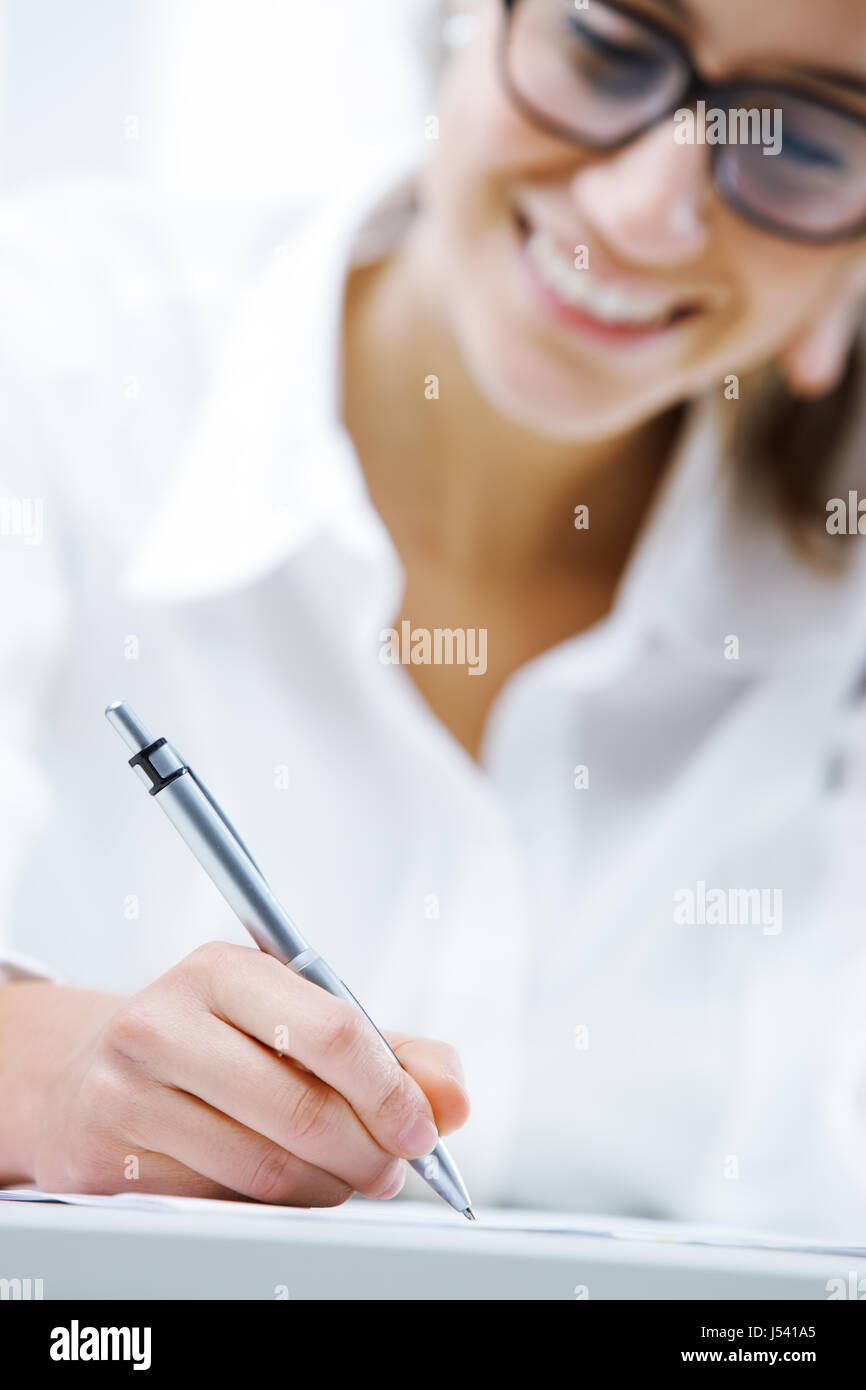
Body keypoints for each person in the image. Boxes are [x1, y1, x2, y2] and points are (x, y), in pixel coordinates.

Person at [2, 0, 866, 1236]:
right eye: (607, 48)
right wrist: (51, 1071)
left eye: (803, 143)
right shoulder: (49, 357)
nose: (638, 208)